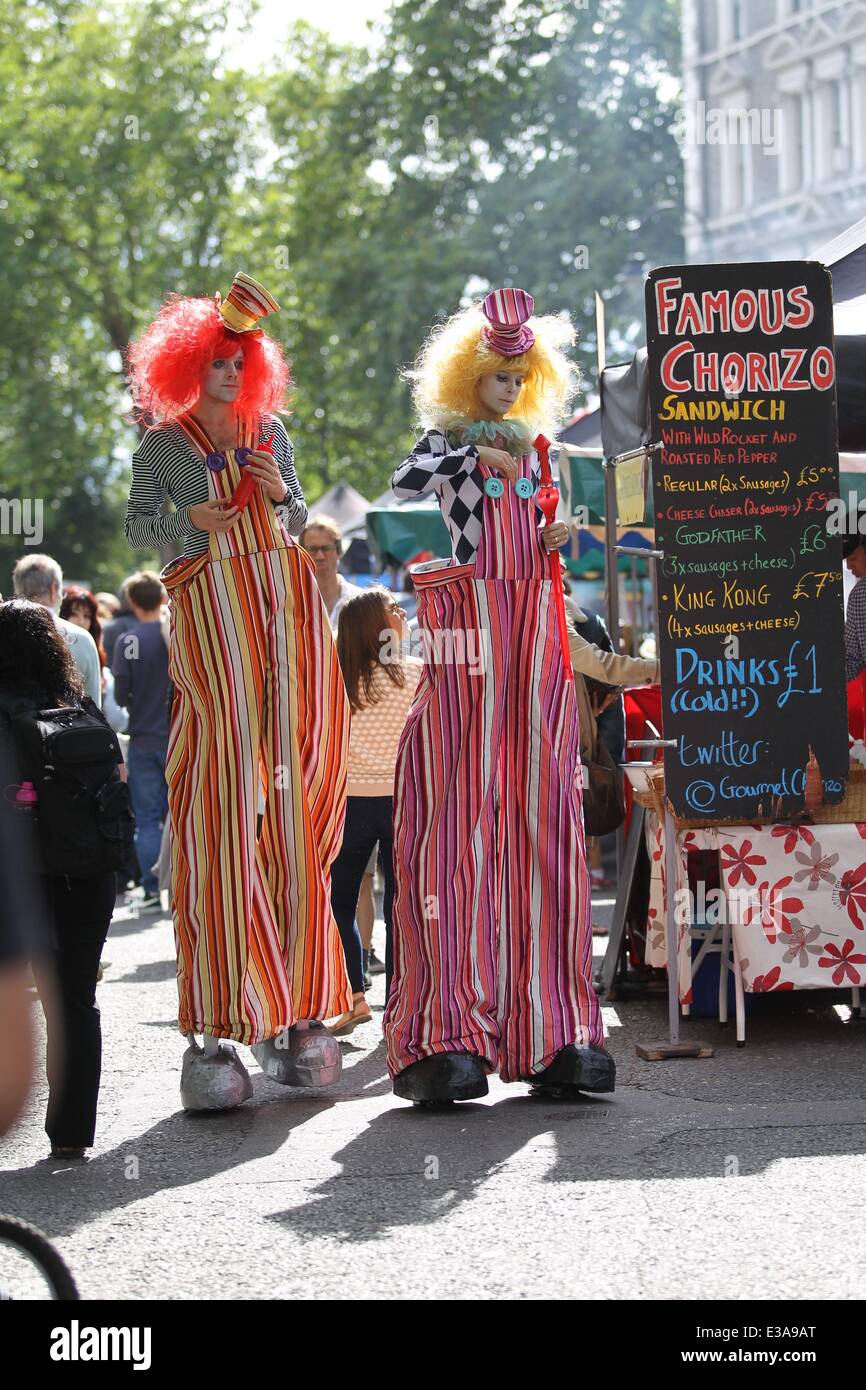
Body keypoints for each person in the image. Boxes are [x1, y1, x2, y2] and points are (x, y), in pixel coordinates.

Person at [384, 286, 616, 1105]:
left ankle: (554, 1029)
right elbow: (405, 478)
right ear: (468, 377)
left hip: (536, 656)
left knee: (545, 827)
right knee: (456, 832)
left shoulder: (545, 454)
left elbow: (546, 534)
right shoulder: (447, 443)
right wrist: (467, 459)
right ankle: (445, 1034)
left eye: (520, 376)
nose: (510, 388)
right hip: (471, 658)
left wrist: (556, 529)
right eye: (497, 376)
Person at [124, 271, 349, 1110]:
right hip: (211, 613)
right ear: (189, 367)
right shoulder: (164, 446)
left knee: (298, 802)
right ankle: (217, 1024)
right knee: (222, 801)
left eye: (241, 357)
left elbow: (294, 528)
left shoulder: (272, 431)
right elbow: (140, 528)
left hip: (285, 614)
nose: (229, 370)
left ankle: (300, 1014)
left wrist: (279, 493)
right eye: (217, 358)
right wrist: (193, 525)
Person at [0, 601, 119, 1159]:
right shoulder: (80, 707)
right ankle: (72, 1133)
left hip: (19, 874)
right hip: (87, 871)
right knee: (74, 1001)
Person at [329, 588, 422, 1034]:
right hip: (403, 802)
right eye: (393, 608)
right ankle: (400, 1002)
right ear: (375, 624)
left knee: (339, 902)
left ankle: (353, 994)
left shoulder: (333, 680)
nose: (403, 612)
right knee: (400, 906)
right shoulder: (416, 675)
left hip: (348, 803)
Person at [111, 572, 171, 911]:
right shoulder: (173, 635)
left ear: (132, 601)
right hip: (175, 733)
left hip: (144, 736)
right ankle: (180, 885)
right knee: (177, 815)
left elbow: (120, 693)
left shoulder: (128, 640)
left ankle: (150, 889)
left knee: (147, 817)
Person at [12, 555, 102, 708]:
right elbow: (93, 709)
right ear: (54, 589)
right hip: (68, 729)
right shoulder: (82, 638)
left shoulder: (7, 632)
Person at [60, 585, 128, 733]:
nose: (81, 621)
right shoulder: (54, 651)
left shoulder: (94, 649)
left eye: (86, 616)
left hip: (90, 730)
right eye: (74, 614)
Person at [300, 515, 364, 629]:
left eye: (326, 548)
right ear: (302, 554)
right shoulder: (293, 603)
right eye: (312, 549)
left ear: (339, 551)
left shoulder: (360, 601)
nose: (320, 556)